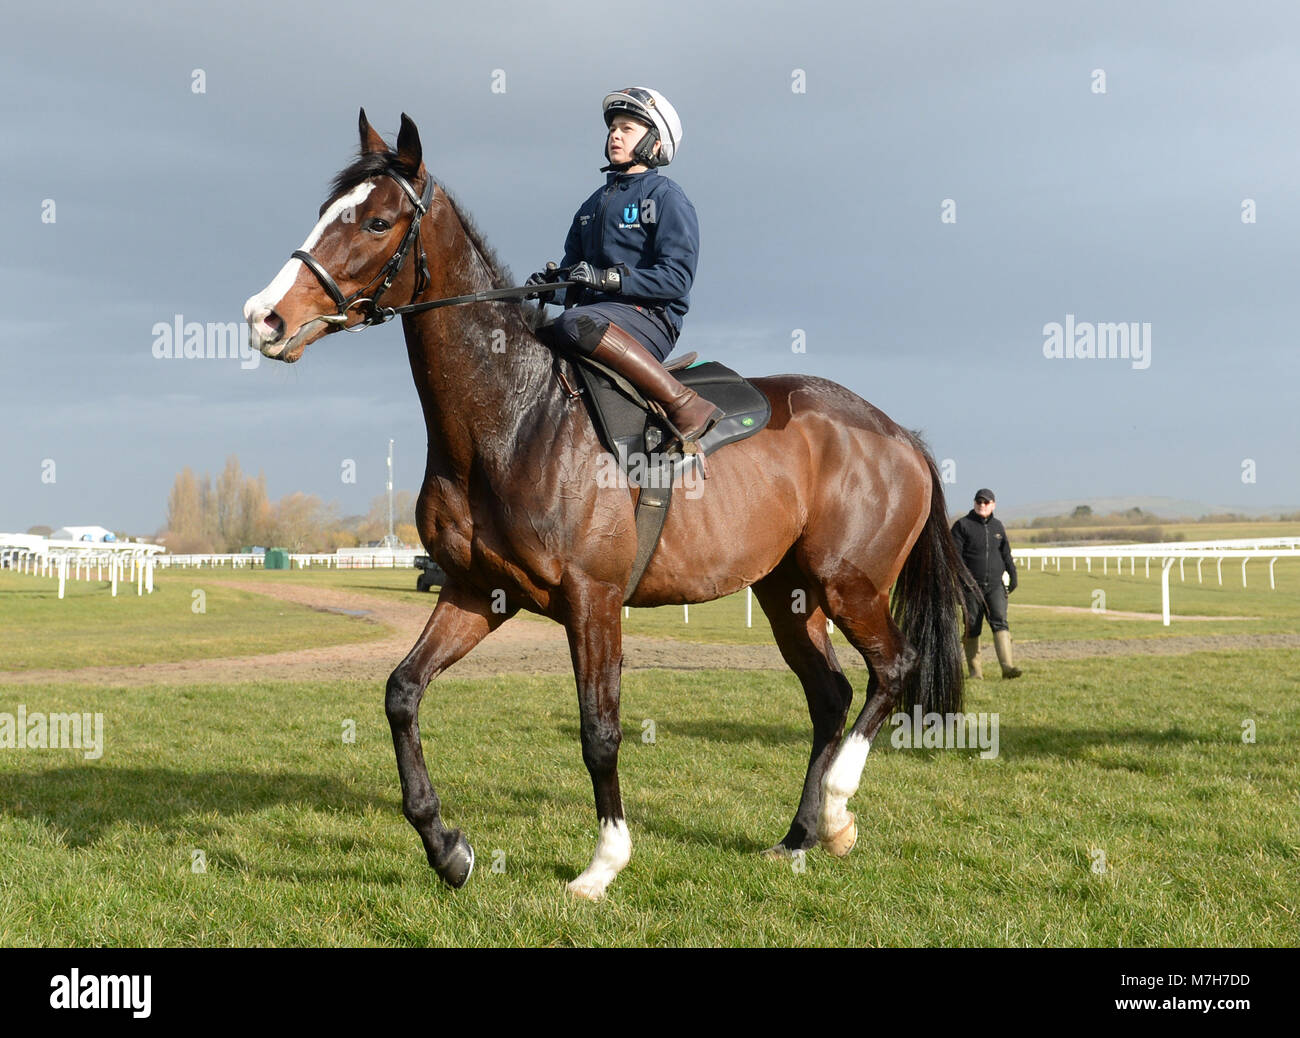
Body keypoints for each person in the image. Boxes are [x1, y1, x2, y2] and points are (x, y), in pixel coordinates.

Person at [527, 87, 722, 445]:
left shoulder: (666, 197)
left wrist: (611, 279)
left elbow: (677, 278)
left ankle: (684, 404)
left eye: (627, 128)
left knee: (573, 322)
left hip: (650, 318)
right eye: (613, 128)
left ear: (655, 143)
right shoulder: (591, 205)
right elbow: (575, 276)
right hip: (597, 317)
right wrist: (549, 287)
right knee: (535, 335)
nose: (615, 134)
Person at [951, 488, 1022, 679]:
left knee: (1000, 622)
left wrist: (1013, 575)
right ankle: (975, 673)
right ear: (974, 503)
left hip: (995, 586)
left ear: (993, 505)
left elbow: (1006, 553)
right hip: (970, 587)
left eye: (986, 502)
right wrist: (960, 584)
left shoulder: (998, 526)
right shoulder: (962, 526)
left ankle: (1008, 668)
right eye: (979, 502)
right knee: (972, 626)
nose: (982, 505)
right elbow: (954, 559)